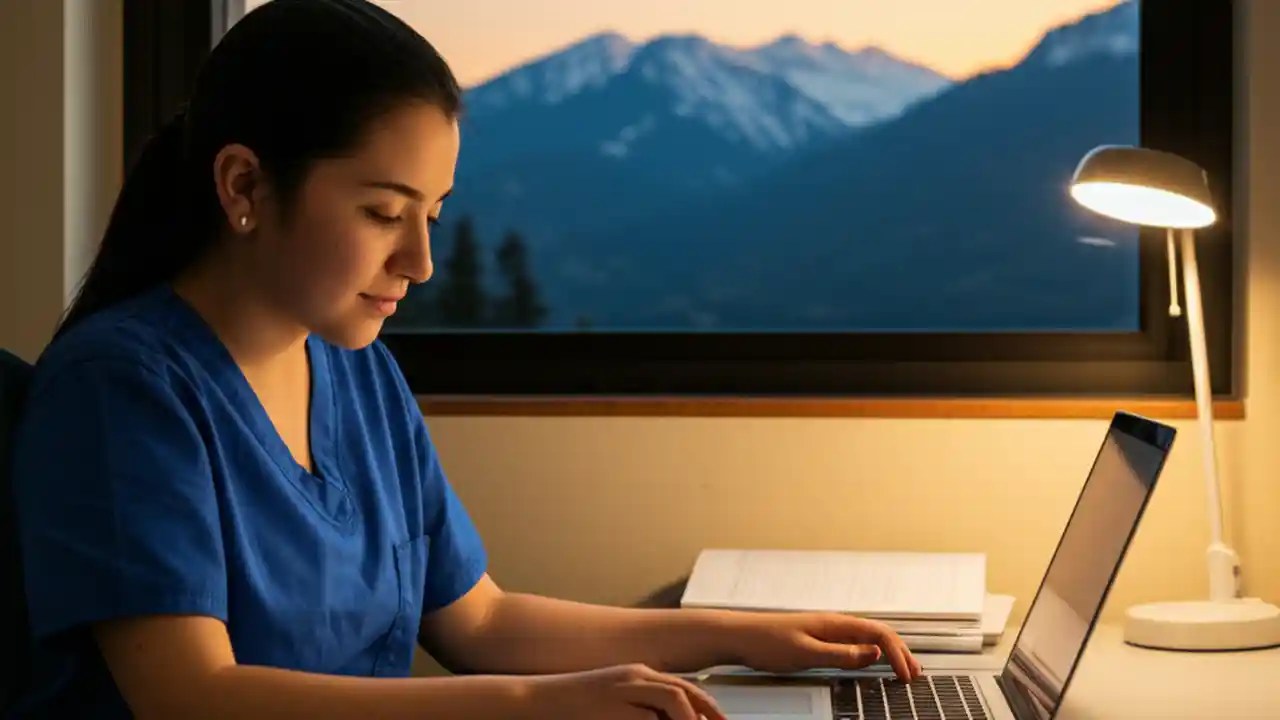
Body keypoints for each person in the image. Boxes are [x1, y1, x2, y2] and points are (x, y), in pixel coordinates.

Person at [8, 0, 922, 717]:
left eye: (432, 215)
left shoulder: (353, 369)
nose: (420, 262)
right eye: (381, 212)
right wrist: (532, 707)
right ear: (243, 185)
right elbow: (192, 698)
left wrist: (738, 637)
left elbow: (479, 620)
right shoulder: (121, 390)